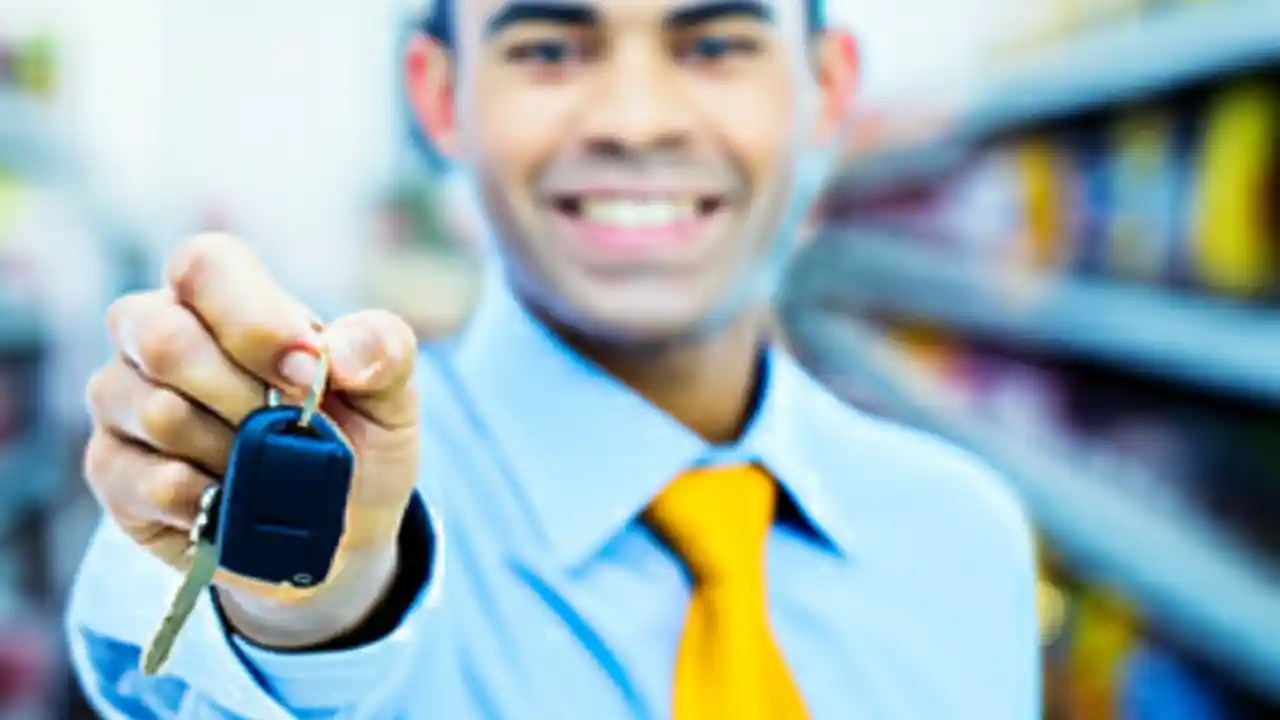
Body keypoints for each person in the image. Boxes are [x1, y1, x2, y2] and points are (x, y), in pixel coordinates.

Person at [66, 0, 1039, 717]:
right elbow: (189, 659)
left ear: (823, 92)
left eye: (713, 45)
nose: (634, 120)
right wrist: (307, 615)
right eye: (547, 47)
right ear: (440, 98)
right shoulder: (345, 496)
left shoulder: (965, 545)